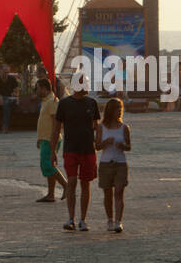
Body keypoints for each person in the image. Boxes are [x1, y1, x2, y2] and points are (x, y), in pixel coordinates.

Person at [52, 77, 100, 232]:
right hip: (70, 149)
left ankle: (83, 219)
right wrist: (53, 150)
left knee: (86, 183)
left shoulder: (92, 103)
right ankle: (71, 218)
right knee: (72, 182)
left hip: (88, 149)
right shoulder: (64, 104)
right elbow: (56, 128)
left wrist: (99, 146)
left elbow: (96, 127)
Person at [95, 97, 131, 233]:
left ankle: (118, 221)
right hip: (106, 163)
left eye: (121, 109)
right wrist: (105, 143)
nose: (120, 112)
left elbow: (129, 146)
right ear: (110, 111)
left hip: (120, 163)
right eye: (117, 109)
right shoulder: (101, 127)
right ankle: (109, 219)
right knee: (107, 193)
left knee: (119, 191)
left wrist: (122, 145)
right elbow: (97, 146)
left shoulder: (124, 127)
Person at [35, 78, 67, 203]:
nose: (36, 91)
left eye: (37, 88)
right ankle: (51, 194)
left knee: (47, 165)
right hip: (45, 138)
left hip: (50, 139)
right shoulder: (45, 101)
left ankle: (66, 185)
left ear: (44, 88)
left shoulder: (52, 101)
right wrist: (39, 138)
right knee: (49, 166)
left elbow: (56, 122)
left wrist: (52, 139)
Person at [0, 63, 20, 134]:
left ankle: (5, 126)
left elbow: (17, 91)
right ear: (0, 71)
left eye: (7, 72)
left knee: (6, 103)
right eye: (4, 72)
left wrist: (15, 95)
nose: (6, 74)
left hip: (9, 99)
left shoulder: (12, 79)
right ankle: (5, 126)